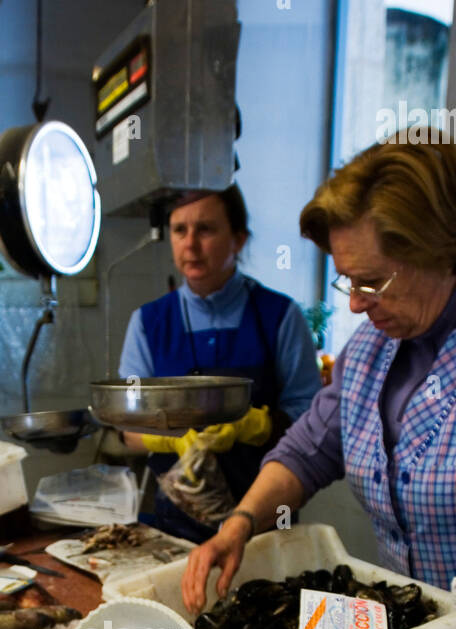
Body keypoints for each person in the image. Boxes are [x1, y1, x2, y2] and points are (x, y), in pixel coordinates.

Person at [181, 137, 456, 629]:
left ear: (439, 249)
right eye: (347, 282)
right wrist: (240, 521)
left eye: (372, 281)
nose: (357, 304)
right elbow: (309, 449)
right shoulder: (371, 348)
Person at [118, 186, 322, 543]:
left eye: (206, 229)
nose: (190, 244)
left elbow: (312, 418)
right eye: (180, 230)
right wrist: (169, 438)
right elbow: (125, 428)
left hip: (266, 524)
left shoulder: (280, 317)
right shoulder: (148, 323)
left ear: (239, 239)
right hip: (174, 526)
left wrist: (256, 425)